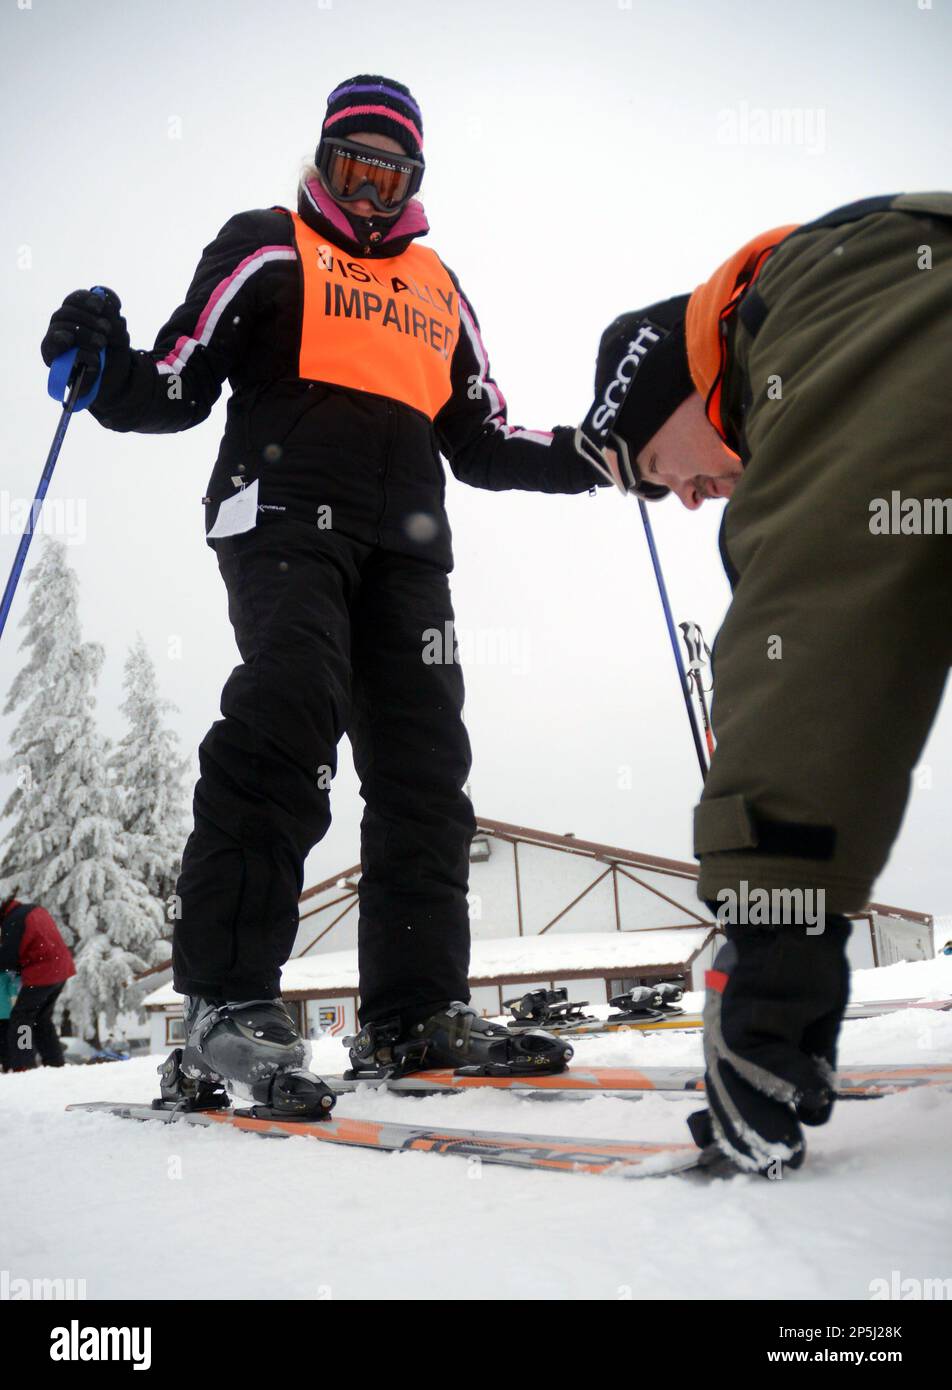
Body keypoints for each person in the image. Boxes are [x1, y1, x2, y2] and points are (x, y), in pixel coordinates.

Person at [40, 75, 593, 1116]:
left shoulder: (439, 289)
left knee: (426, 763)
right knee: (293, 704)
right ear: (324, 159)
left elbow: (480, 437)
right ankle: (223, 1007)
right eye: (355, 168)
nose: (373, 194)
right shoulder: (267, 247)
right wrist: (101, 367)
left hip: (408, 551)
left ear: (416, 180)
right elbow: (177, 379)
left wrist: (595, 452)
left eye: (393, 175)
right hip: (283, 513)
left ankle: (412, 1014)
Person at [579, 192, 952, 1173]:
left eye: (662, 469)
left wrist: (771, 936)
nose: (691, 496)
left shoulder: (821, 297)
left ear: (679, 386)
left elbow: (817, 607)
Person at [0, 894, 76, 1070]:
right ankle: (55, 1063)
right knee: (41, 1019)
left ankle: (23, 1065)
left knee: (21, 1019)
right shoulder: (31, 910)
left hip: (43, 973)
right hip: (60, 970)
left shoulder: (14, 920)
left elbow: (8, 957)